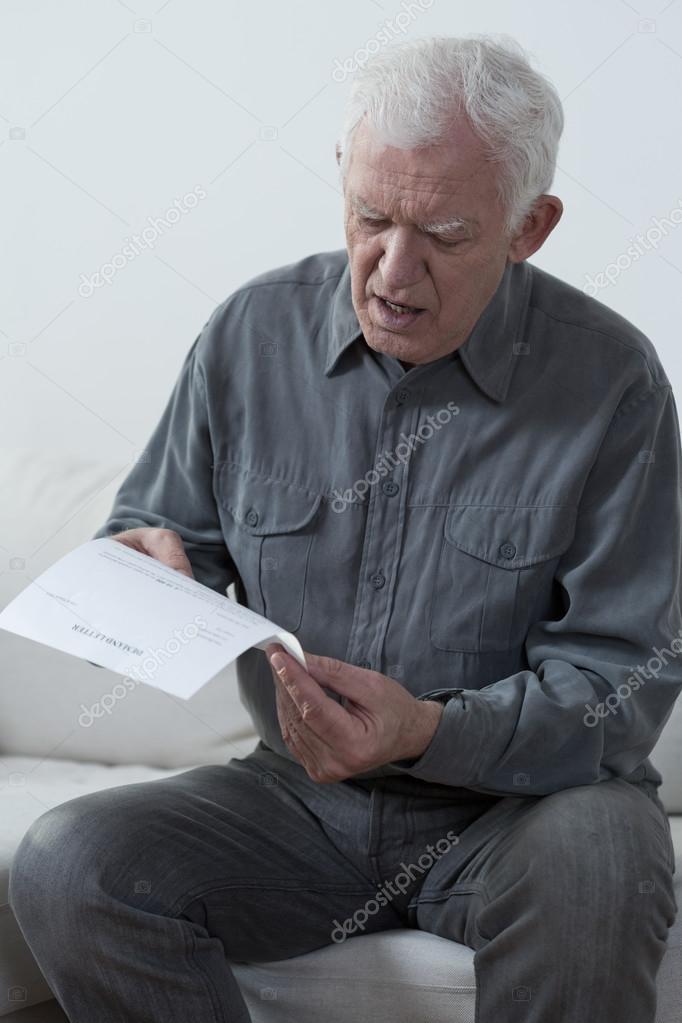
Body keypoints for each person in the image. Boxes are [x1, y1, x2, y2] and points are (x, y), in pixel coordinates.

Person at [9, 33, 680, 1023]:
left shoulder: (611, 383)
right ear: (343, 180)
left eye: (444, 236)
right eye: (371, 217)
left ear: (527, 228)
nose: (390, 273)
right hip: (294, 802)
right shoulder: (248, 336)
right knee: (72, 864)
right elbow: (162, 530)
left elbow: (617, 688)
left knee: (600, 863)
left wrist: (429, 731)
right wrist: (151, 568)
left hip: (524, 810)